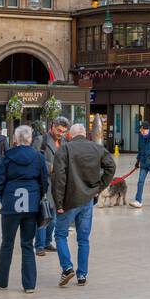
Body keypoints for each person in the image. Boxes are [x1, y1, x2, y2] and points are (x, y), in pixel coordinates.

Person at [52, 123, 115, 287]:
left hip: (69, 201)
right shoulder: (96, 148)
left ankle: (67, 268)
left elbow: (59, 179)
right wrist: (99, 188)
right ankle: (82, 275)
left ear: (70, 135)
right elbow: (111, 166)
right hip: (87, 200)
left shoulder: (64, 150)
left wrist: (58, 202)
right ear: (85, 134)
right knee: (83, 239)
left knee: (60, 235)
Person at [0, 124, 48, 293]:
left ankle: (2, 281)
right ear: (30, 139)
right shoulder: (38, 157)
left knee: (7, 243)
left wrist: (5, 198)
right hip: (31, 205)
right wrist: (37, 195)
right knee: (27, 244)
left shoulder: (8, 156)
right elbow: (44, 181)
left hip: (11, 204)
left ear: (16, 139)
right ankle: (29, 285)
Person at [36, 117, 70, 251]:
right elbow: (34, 159)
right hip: (45, 184)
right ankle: (39, 245)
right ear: (52, 126)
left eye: (63, 131)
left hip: (59, 185)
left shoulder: (65, 142)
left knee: (54, 218)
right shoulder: (41, 140)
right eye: (59, 130)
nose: (60, 133)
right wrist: (50, 166)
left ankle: (47, 242)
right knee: (44, 215)